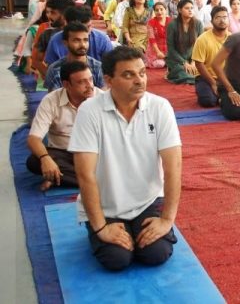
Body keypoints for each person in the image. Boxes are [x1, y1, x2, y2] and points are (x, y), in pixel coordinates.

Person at [70, 46, 181, 271]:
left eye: (142, 72)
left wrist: (166, 220)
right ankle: (97, 230)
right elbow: (85, 174)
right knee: (117, 259)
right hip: (106, 206)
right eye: (128, 75)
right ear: (109, 80)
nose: (139, 81)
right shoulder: (90, 111)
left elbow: (173, 167)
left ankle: (140, 229)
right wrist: (101, 227)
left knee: (155, 253)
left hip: (146, 202)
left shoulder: (160, 107)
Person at [28, 60, 103, 191]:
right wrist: (46, 159)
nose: (89, 85)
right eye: (81, 82)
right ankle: (97, 181)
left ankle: (58, 178)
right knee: (34, 161)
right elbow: (33, 139)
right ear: (66, 85)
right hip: (64, 154)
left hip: (95, 155)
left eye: (90, 79)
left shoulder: (103, 99)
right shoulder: (51, 101)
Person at [45, 22, 105, 91]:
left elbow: (102, 98)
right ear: (65, 43)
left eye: (85, 40)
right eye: (76, 41)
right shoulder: (54, 69)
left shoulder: (98, 67)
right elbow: (54, 99)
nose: (82, 45)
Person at [44, 5, 113, 65]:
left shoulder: (102, 39)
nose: (86, 31)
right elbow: (52, 68)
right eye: (81, 29)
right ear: (67, 25)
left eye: (89, 26)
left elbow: (109, 68)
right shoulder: (55, 41)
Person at [191, 6, 230, 107]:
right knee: (208, 101)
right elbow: (199, 64)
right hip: (206, 77)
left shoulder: (232, 38)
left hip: (226, 77)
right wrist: (213, 83)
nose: (222, 20)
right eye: (218, 17)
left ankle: (221, 95)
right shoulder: (202, 39)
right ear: (212, 21)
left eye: (225, 17)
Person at [32, 0, 74, 77]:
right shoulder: (47, 34)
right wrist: (51, 78)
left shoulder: (82, 33)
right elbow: (36, 60)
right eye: (48, 12)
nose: (48, 16)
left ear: (65, 14)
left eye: (53, 13)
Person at [166, 0, 203, 85]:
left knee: (203, 70)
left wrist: (194, 62)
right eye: (187, 8)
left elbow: (200, 46)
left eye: (192, 8)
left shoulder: (198, 24)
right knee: (182, 71)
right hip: (176, 59)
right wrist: (184, 62)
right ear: (179, 10)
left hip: (194, 58)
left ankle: (193, 78)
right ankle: (191, 78)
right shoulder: (172, 25)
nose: (190, 10)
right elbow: (170, 48)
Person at [146, 2, 169, 69]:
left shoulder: (171, 21)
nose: (159, 12)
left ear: (165, 10)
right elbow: (152, 39)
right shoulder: (151, 22)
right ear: (154, 12)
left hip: (169, 49)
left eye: (161, 9)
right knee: (159, 64)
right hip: (155, 49)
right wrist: (158, 52)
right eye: (157, 10)